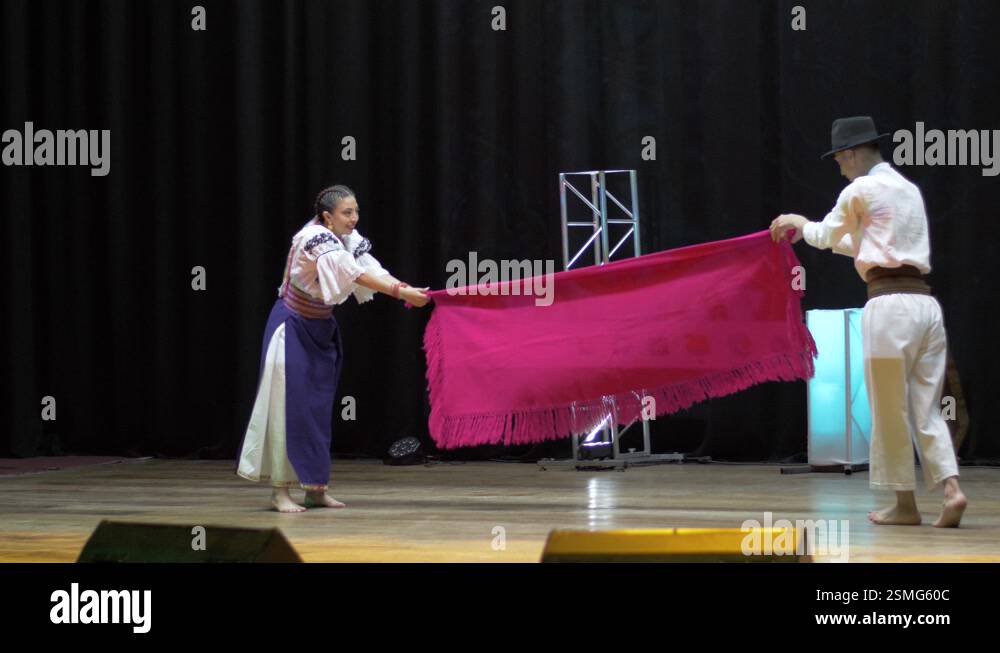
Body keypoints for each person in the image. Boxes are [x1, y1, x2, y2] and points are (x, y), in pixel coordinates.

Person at [770, 116, 967, 527]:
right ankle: (952, 489)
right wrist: (812, 233)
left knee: (889, 408)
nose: (840, 170)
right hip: (925, 305)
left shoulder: (859, 189)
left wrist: (801, 225)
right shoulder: (908, 190)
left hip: (889, 306)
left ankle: (906, 504)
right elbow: (862, 245)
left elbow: (827, 234)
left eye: (839, 161)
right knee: (926, 408)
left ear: (851, 154)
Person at [236, 185, 430, 512]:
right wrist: (401, 292)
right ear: (327, 216)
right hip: (291, 328)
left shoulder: (346, 239)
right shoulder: (314, 238)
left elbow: (371, 269)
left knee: (316, 410)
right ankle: (279, 491)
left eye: (356, 211)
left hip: (320, 331)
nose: (354, 218)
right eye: (346, 212)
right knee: (287, 408)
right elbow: (351, 273)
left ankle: (315, 488)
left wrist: (406, 289)